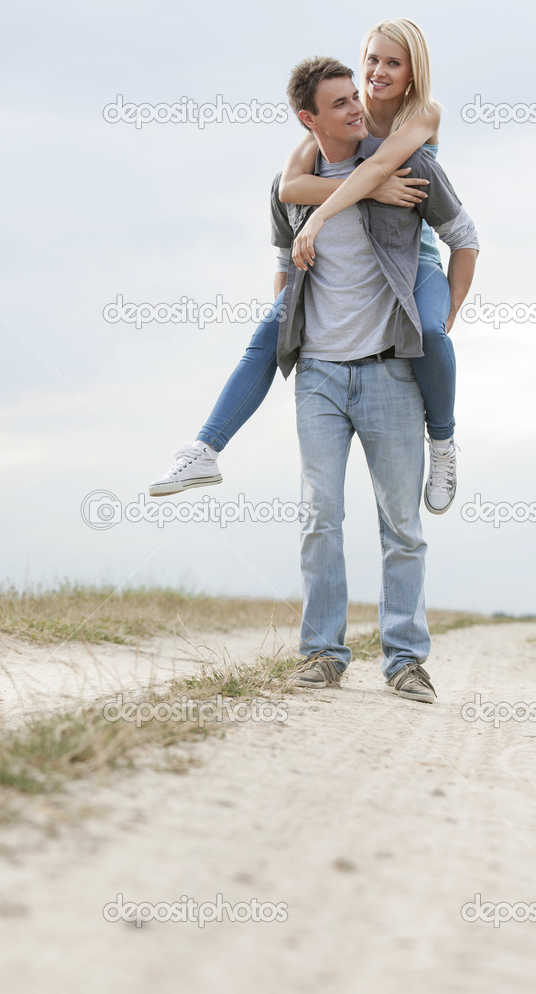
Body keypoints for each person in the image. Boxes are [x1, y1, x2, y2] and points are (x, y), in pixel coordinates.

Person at [149, 18, 461, 514]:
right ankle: (205, 449)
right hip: (350, 260)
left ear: (412, 71)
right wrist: (349, 202)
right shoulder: (340, 114)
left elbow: (381, 168)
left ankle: (442, 444)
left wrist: (321, 218)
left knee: (430, 331)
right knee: (268, 331)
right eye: (372, 60)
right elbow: (289, 186)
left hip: (410, 257)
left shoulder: (421, 114)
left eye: (392, 63)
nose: (377, 73)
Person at [277, 55, 478, 704]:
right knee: (319, 517)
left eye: (382, 69)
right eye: (347, 92)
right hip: (321, 376)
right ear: (312, 120)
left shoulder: (409, 158)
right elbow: (286, 252)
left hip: (391, 369)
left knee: (401, 524)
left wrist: (441, 319)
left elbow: (464, 232)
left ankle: (404, 660)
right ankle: (323, 653)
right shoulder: (300, 175)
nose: (362, 94)